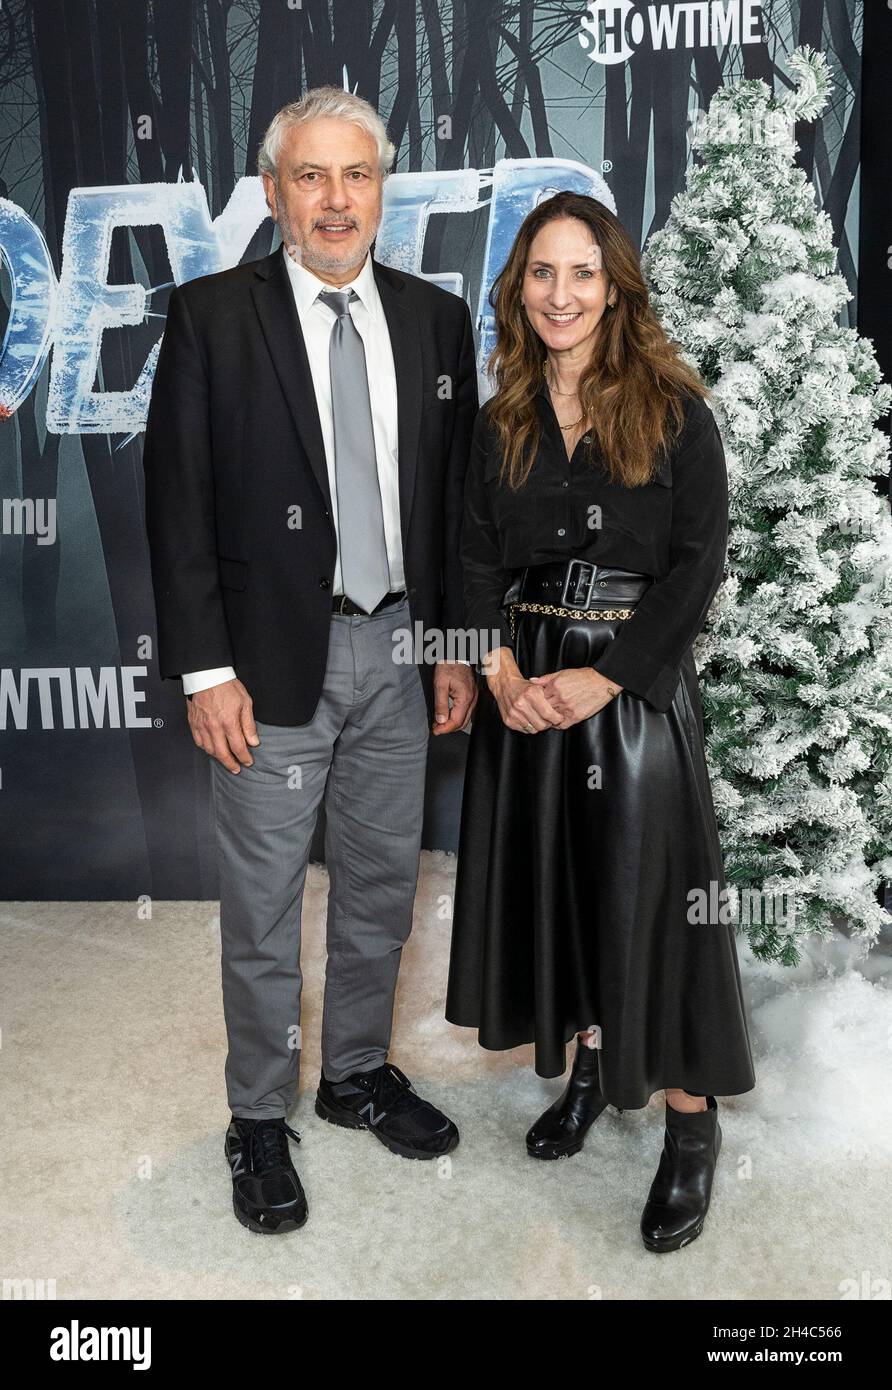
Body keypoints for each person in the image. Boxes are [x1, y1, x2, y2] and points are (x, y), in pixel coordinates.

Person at [143, 86, 478, 1234]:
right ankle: (254, 1115)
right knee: (264, 905)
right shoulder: (209, 318)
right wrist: (203, 670)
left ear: (384, 188)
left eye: (357, 176)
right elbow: (177, 509)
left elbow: (453, 512)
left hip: (400, 651)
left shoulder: (437, 321)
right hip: (266, 670)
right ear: (275, 189)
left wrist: (456, 648)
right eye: (309, 177)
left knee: (383, 888)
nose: (335, 202)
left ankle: (351, 1078)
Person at [446, 189, 755, 1253]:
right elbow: (474, 555)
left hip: (630, 698)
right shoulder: (503, 420)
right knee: (564, 888)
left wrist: (610, 676)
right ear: (517, 288)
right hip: (523, 695)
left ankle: (687, 1126)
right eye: (541, 272)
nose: (560, 293)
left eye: (582, 272)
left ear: (614, 285)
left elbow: (695, 564)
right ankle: (586, 1064)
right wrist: (489, 662)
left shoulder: (675, 411)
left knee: (652, 904)